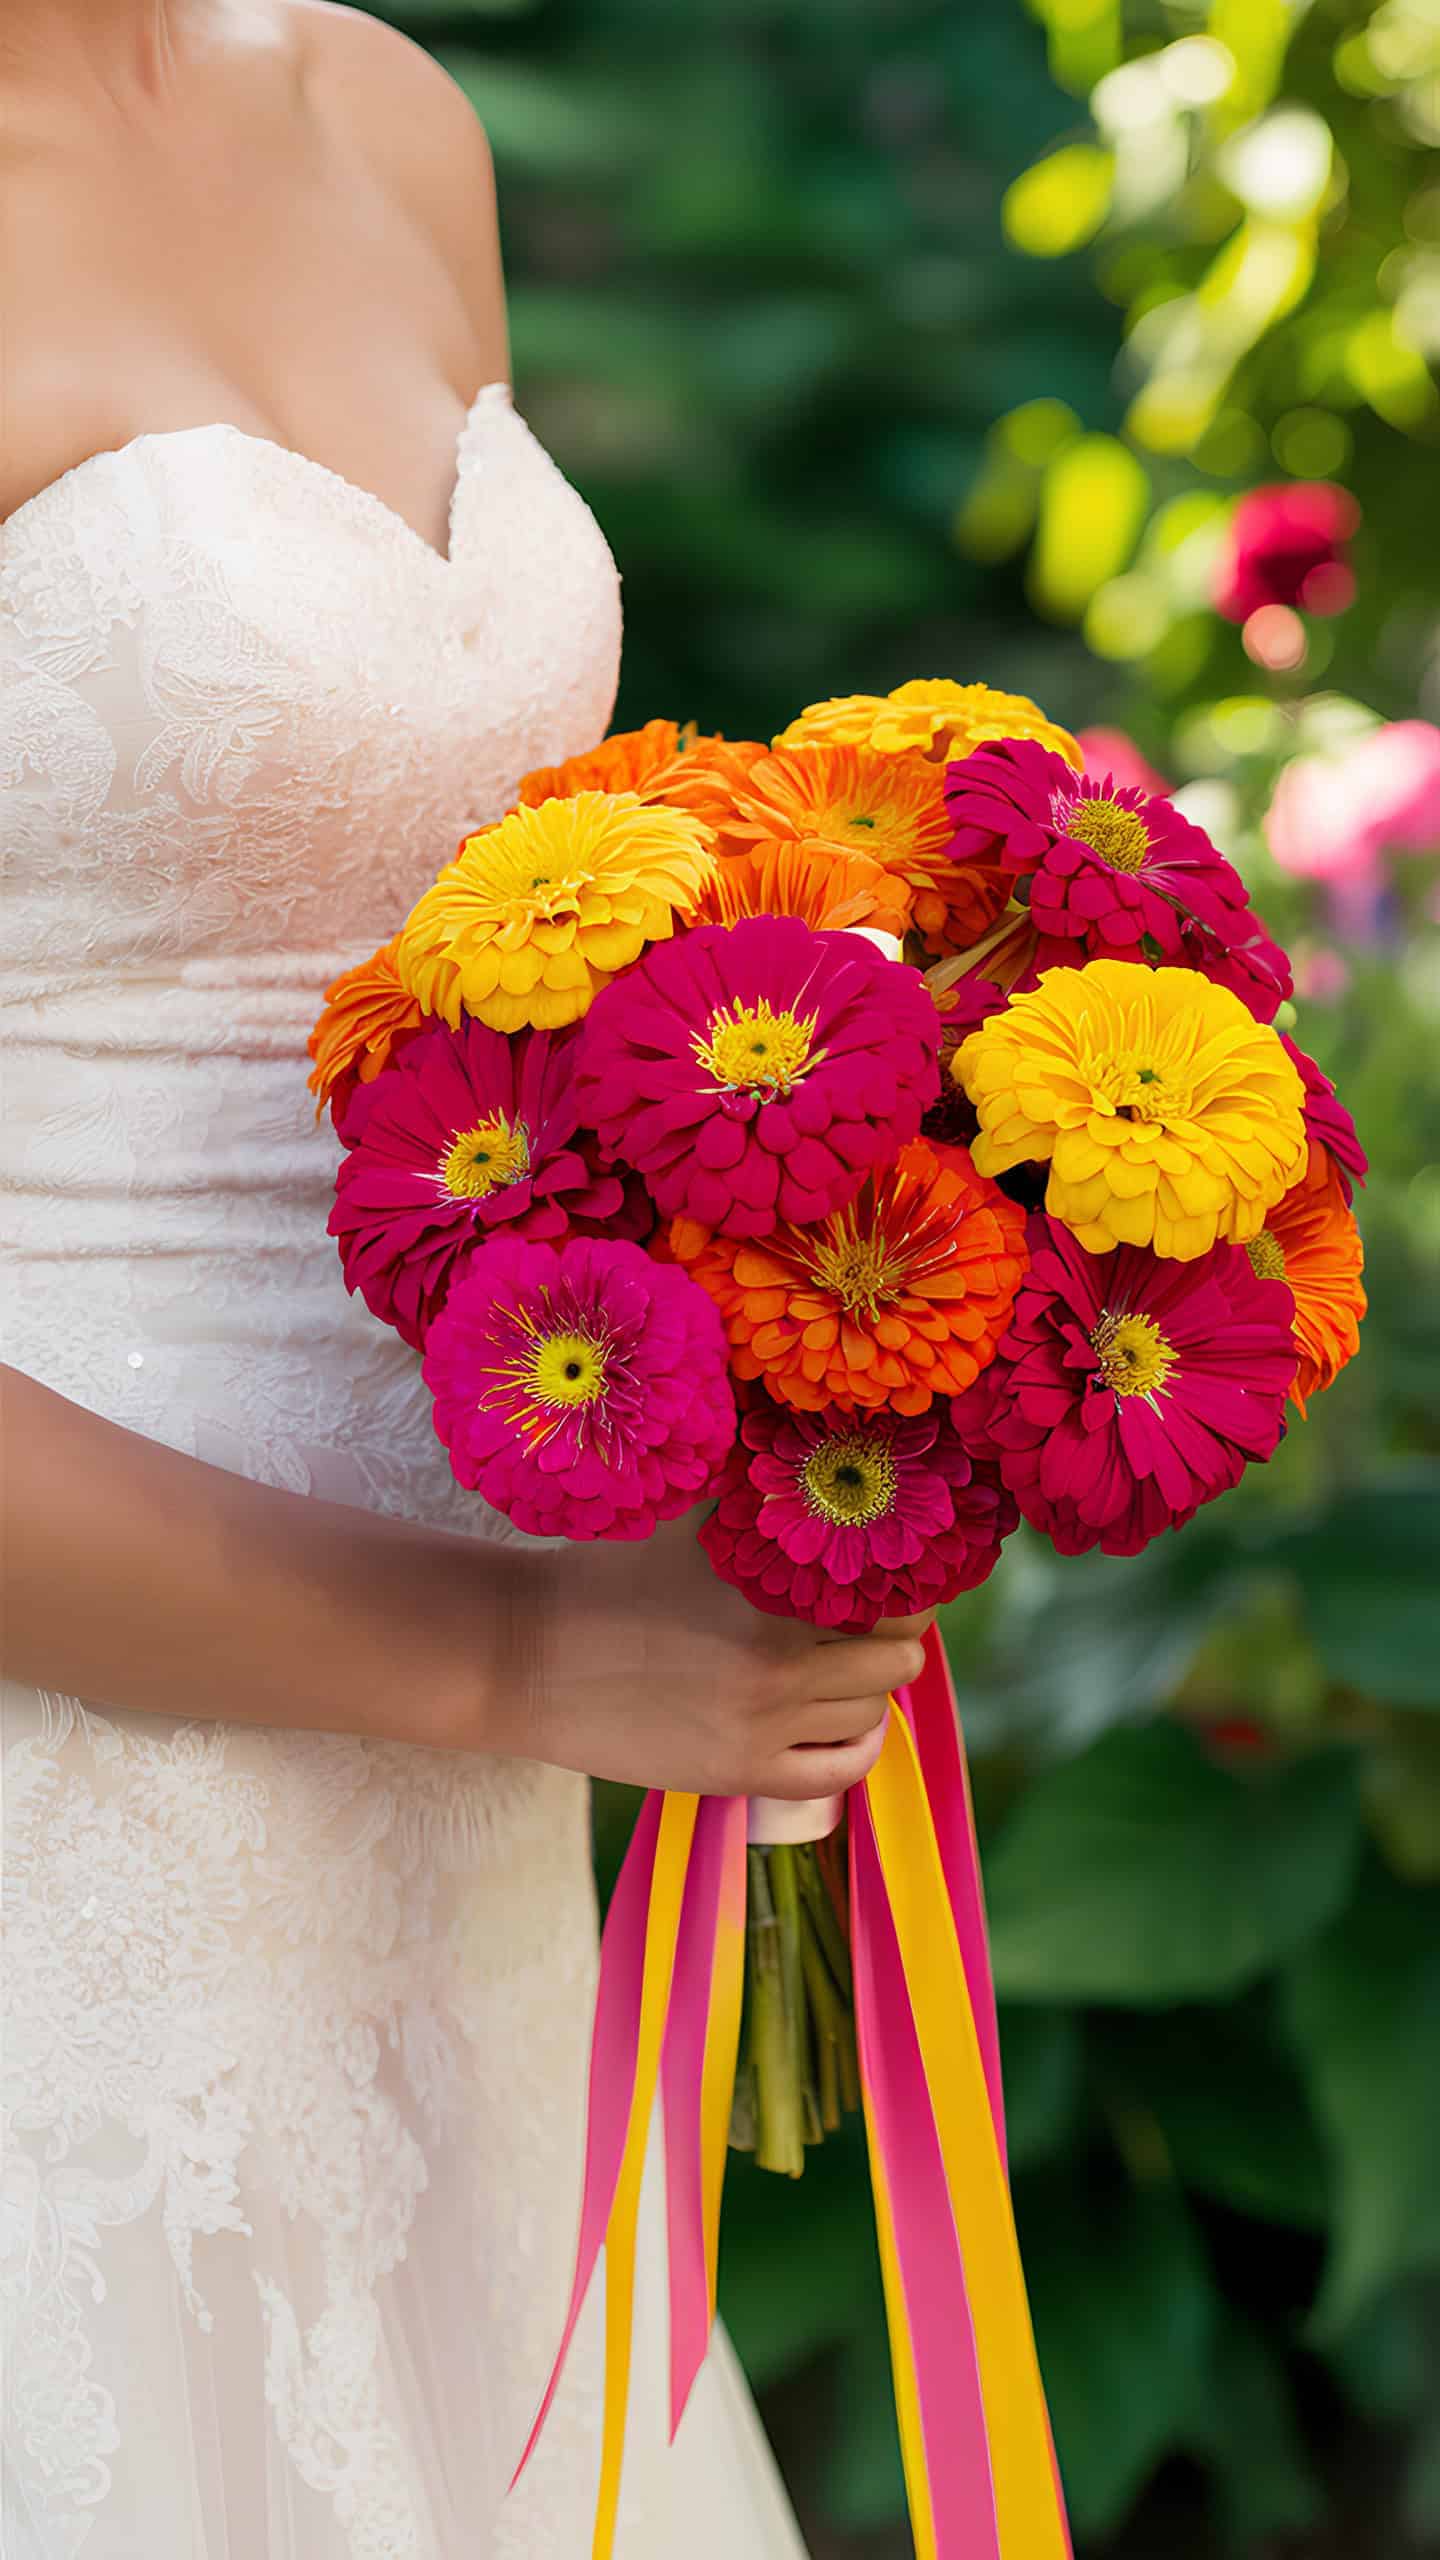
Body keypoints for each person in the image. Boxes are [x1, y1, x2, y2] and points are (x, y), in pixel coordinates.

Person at [0, 6, 925, 2551]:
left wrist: (831, 1302)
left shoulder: (382, 107)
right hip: (76, 1794)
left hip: (470, 1830)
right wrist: (507, 1652)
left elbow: (481, 931)